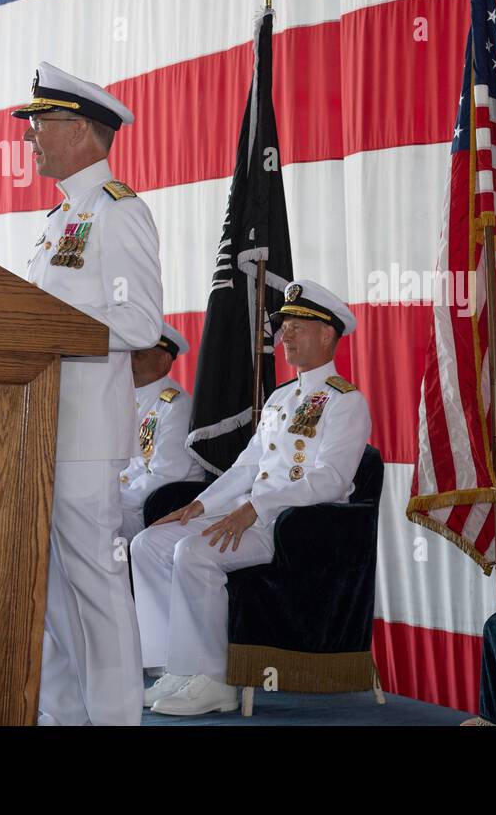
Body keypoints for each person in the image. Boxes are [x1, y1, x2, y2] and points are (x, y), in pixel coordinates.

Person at [131, 279, 371, 716]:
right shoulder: (280, 398)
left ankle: (216, 680)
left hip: (292, 528)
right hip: (250, 517)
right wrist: (198, 505)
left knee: (194, 553)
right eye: (286, 327)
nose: (286, 336)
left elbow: (332, 480)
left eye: (299, 326)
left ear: (327, 335)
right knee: (147, 543)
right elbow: (246, 466)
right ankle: (175, 669)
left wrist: (256, 508)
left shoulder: (345, 402)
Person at [16, 61, 163, 726]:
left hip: (84, 432)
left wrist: (46, 330)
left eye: (41, 123)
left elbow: (138, 324)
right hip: (39, 424)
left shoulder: (117, 211)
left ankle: (116, 720)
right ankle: (62, 715)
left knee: (96, 586)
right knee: (50, 590)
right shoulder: (57, 219)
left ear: (82, 130)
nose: (31, 137)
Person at [119, 321, 206, 544]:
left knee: (90, 521)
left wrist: (112, 499)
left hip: (149, 510)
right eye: (128, 353)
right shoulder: (121, 398)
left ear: (164, 361)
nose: (129, 361)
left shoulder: (176, 405)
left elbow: (165, 474)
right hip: (122, 498)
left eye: (138, 354)